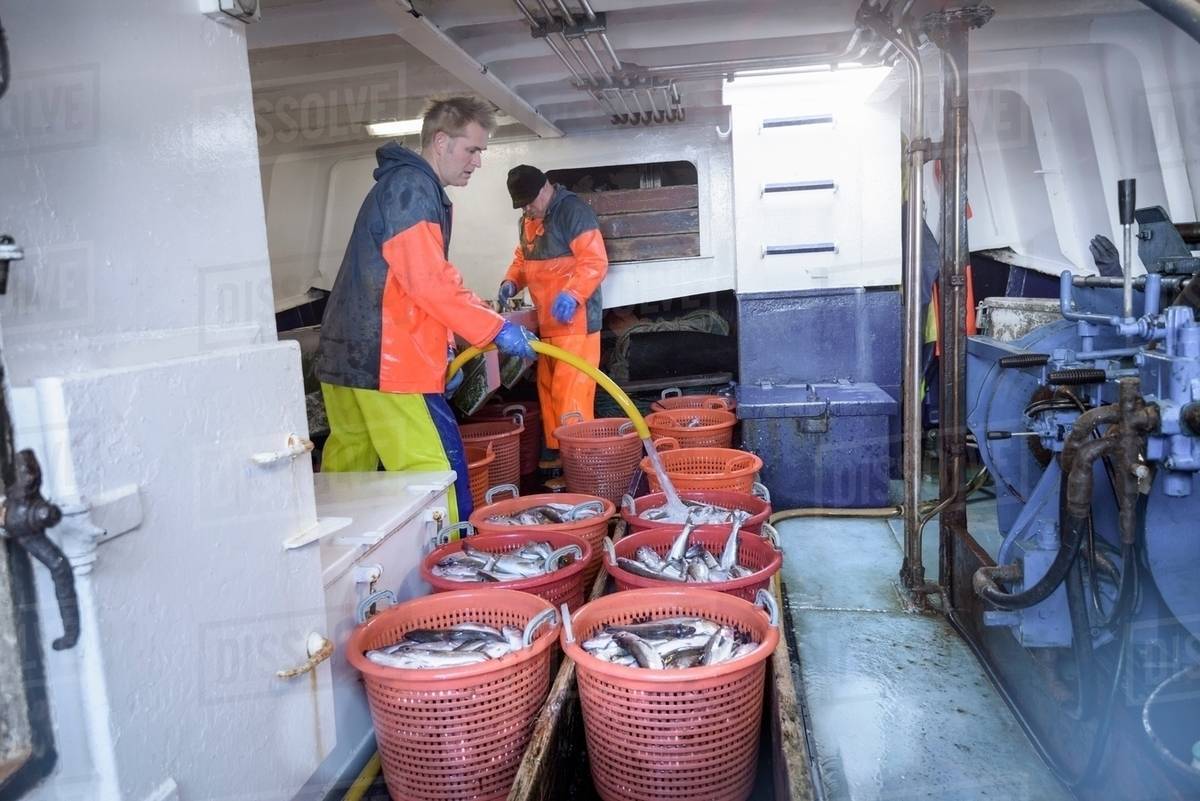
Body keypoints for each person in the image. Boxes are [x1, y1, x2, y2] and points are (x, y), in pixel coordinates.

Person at [315, 96, 535, 523]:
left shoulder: (397, 186)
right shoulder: (413, 188)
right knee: (434, 473)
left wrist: (446, 351)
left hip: (346, 358)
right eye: (473, 149)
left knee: (348, 475)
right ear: (440, 141)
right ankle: (453, 565)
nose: (478, 162)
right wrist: (495, 330)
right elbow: (429, 281)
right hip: (389, 363)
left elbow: (403, 283)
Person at [498, 165, 608, 473]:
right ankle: (558, 456)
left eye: (530, 201)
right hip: (547, 325)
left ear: (547, 187)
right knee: (548, 392)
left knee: (570, 393)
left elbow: (595, 261)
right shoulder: (529, 219)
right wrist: (512, 280)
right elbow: (523, 258)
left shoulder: (573, 211)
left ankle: (581, 463)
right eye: (522, 204)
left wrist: (573, 294)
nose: (527, 208)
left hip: (577, 323)